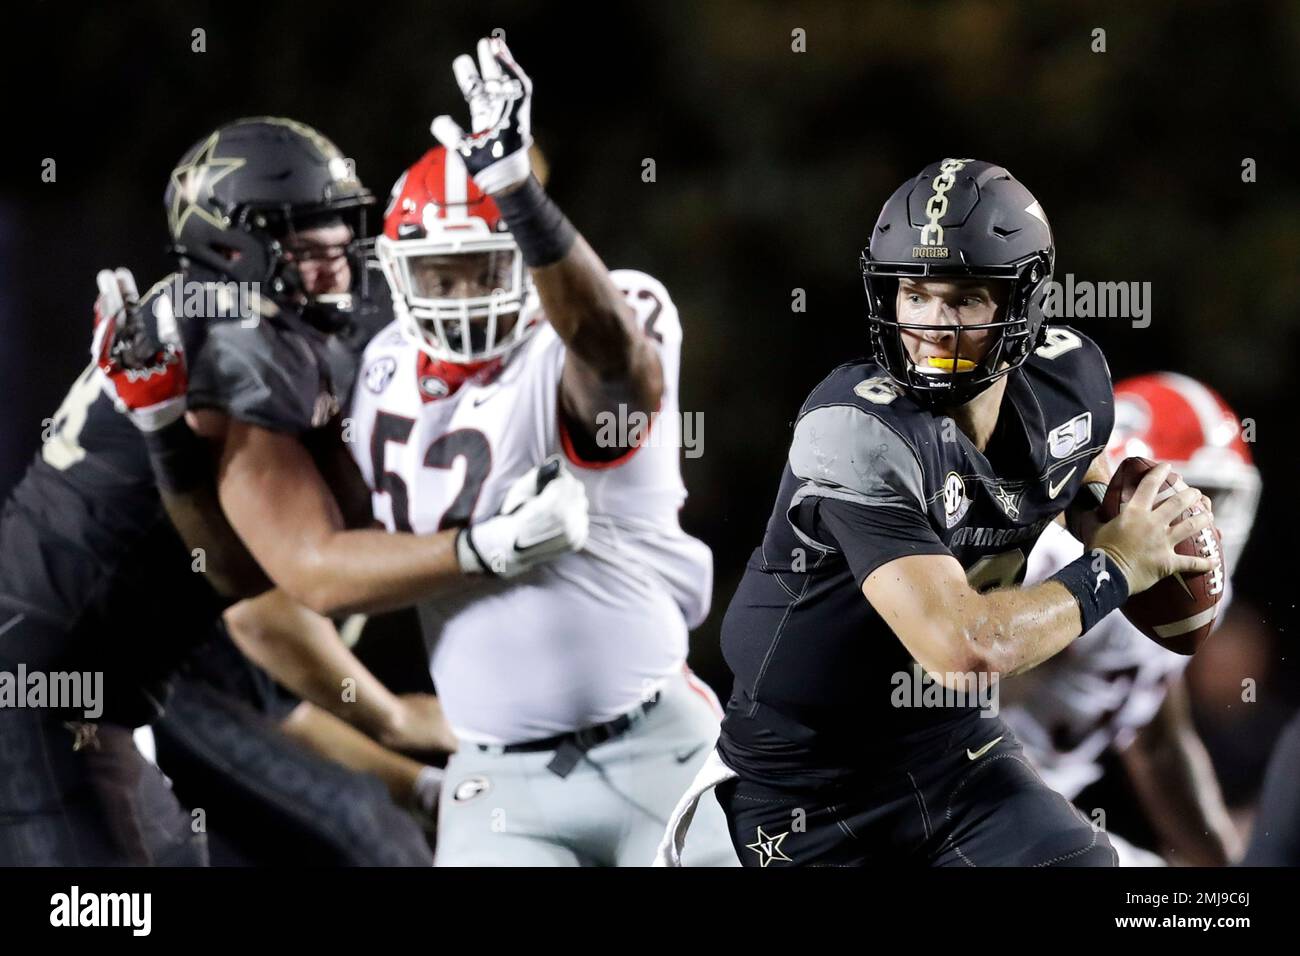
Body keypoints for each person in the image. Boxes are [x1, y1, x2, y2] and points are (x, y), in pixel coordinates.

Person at [660, 158, 1216, 867]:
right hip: (803, 788)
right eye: (915, 295)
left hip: (955, 754)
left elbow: (1097, 495)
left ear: (1027, 304)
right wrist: (1117, 567)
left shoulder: (1067, 385)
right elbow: (964, 648)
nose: (932, 326)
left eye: (963, 299)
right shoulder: (856, 429)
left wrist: (1157, 520)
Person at [349, 37, 736, 866]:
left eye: (482, 266)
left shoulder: (610, 315)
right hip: (497, 779)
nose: (459, 296)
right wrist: (481, 551)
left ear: (529, 255)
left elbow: (610, 370)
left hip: (658, 743)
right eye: (439, 273)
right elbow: (332, 558)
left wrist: (515, 193)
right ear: (396, 270)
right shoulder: (375, 367)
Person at [1003, 372, 1254, 866]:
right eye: (1186, 495)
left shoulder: (1179, 599)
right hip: (964, 814)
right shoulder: (1053, 562)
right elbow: (960, 718)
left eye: (1213, 502)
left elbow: (1158, 742)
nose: (1201, 523)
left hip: (1032, 819)